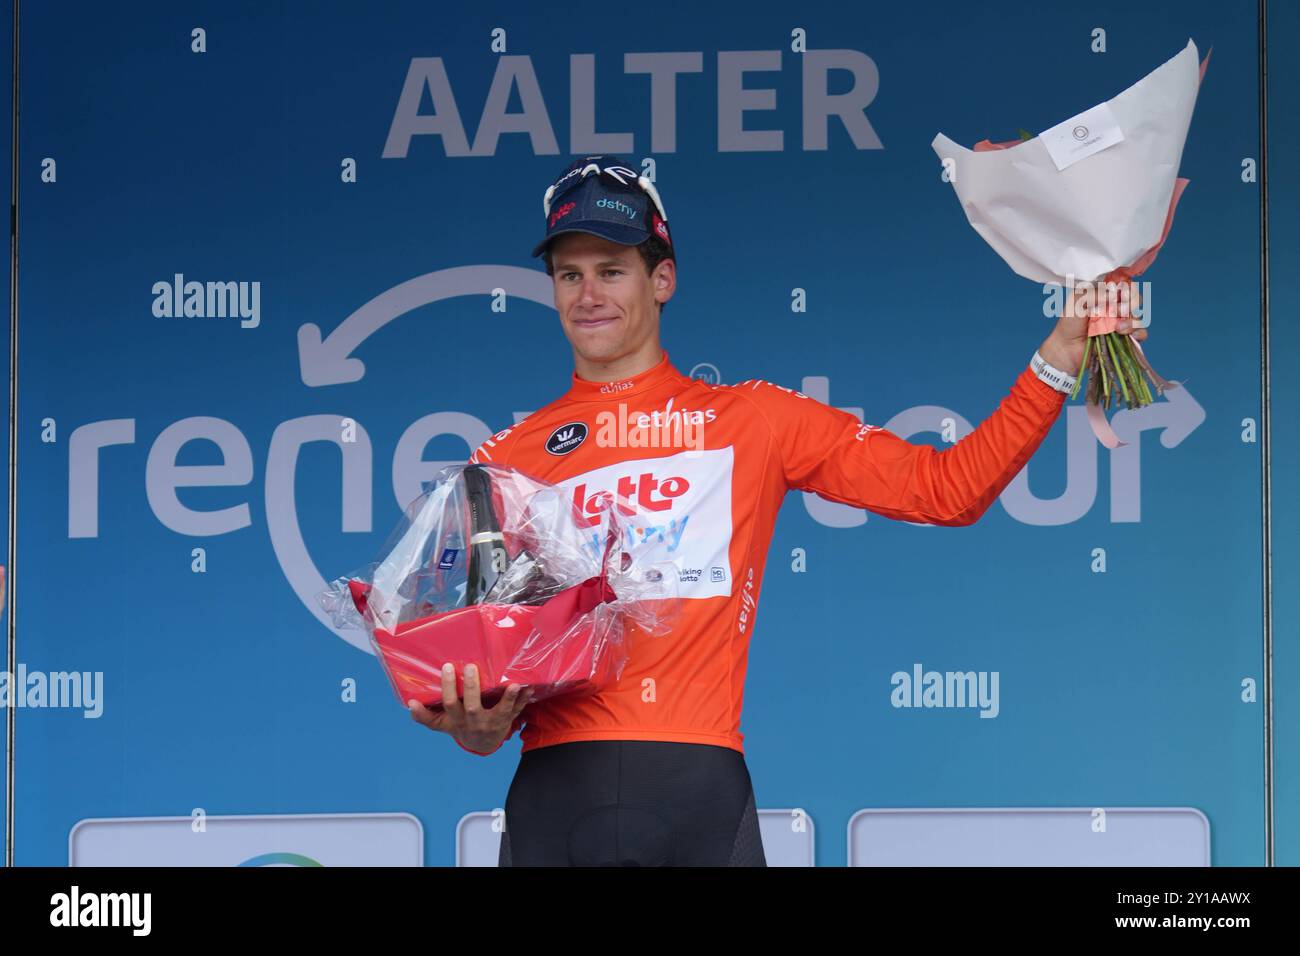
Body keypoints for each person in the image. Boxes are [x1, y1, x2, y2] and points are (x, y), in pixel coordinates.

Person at [406, 155, 1147, 866]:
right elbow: (486, 684)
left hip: (696, 789)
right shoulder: (505, 457)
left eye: (611, 270)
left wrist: (1060, 355)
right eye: (569, 274)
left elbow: (947, 490)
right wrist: (477, 724)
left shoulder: (755, 418)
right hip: (553, 793)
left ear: (662, 279)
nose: (587, 294)